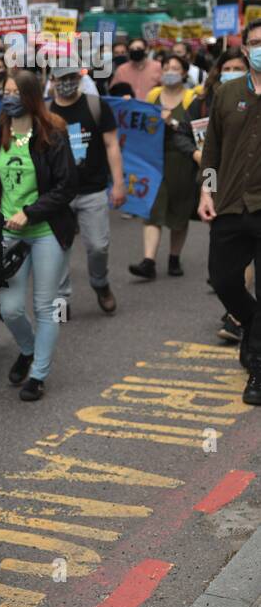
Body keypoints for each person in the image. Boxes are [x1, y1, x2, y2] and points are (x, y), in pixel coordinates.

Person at [0, 71, 78, 400]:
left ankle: (38, 374)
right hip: (9, 233)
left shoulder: (52, 133)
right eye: (5, 91)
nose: (8, 97)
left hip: (47, 231)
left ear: (31, 96)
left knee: (45, 306)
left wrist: (31, 212)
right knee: (9, 308)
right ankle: (27, 349)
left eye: (15, 92)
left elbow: (67, 186)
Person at [198, 20, 261, 405]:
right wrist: (208, 189)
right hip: (230, 205)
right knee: (223, 281)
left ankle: (257, 368)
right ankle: (251, 323)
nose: (259, 48)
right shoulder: (225, 93)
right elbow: (212, 152)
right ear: (244, 50)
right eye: (254, 43)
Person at [48, 64, 126, 314]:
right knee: (58, 249)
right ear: (52, 80)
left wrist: (119, 183)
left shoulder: (95, 105)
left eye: (71, 77)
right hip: (58, 193)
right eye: (61, 78)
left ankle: (101, 284)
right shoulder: (45, 111)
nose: (66, 82)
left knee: (98, 245)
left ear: (79, 79)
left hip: (92, 188)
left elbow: (111, 144)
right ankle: (61, 299)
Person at [129, 54, 199, 280]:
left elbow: (196, 130)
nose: (170, 71)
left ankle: (174, 257)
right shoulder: (153, 95)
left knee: (180, 210)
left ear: (185, 73)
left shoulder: (191, 98)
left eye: (175, 68)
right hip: (154, 159)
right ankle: (148, 261)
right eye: (166, 67)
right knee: (153, 209)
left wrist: (173, 122)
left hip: (182, 159)